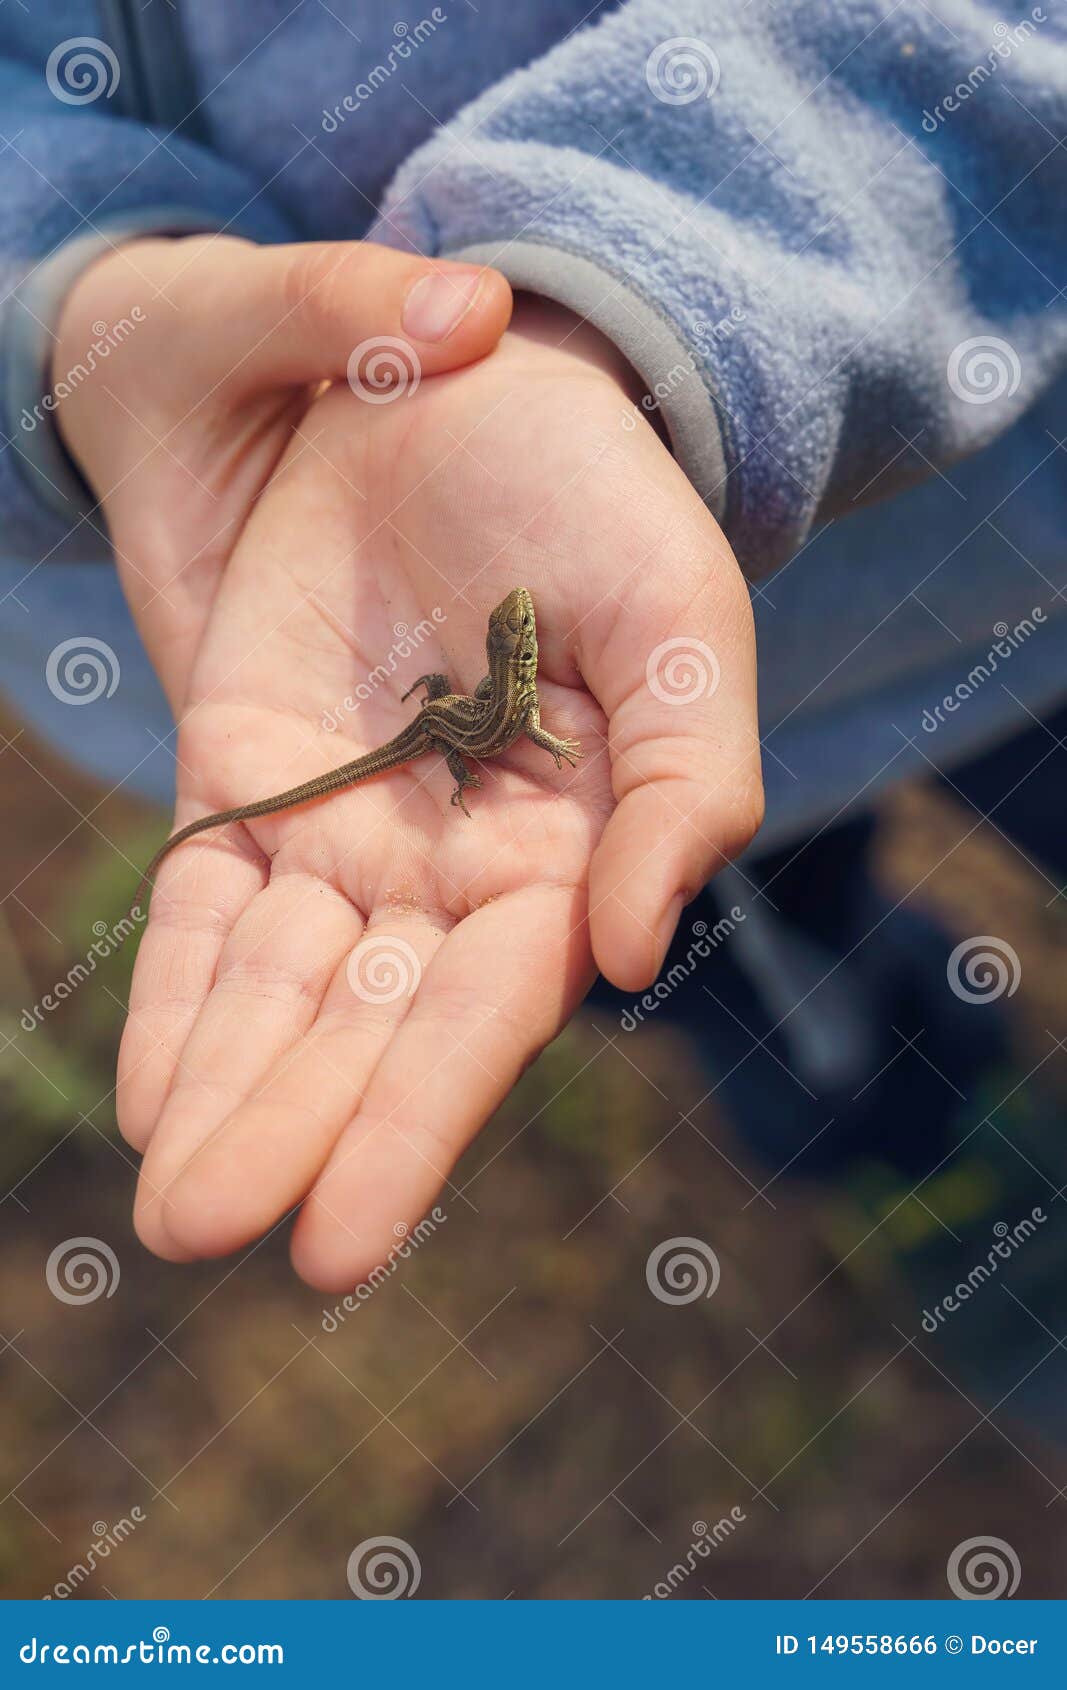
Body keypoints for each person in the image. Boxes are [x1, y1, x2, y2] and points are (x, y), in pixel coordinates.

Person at [1, 3, 1064, 1303]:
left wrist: (614, 287)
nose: (516, 627)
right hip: (268, 637)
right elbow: (519, 720)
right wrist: (60, 310)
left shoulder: (507, 689)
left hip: (993, 589)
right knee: (738, 988)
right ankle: (924, 1157)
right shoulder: (504, 705)